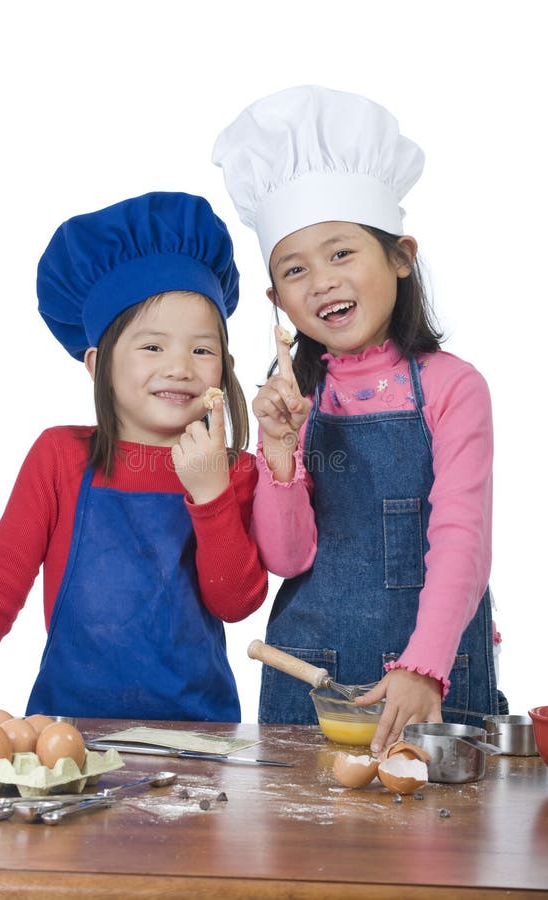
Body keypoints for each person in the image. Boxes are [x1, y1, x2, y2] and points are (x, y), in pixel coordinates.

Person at [213, 86, 504, 752]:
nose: (321, 281)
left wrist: (423, 665)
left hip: (431, 676)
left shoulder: (452, 387)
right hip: (307, 680)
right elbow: (289, 558)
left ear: (400, 256)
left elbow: (464, 538)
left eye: (341, 253)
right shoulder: (290, 404)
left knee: (437, 849)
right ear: (276, 297)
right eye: (295, 269)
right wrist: (279, 454)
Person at [0, 191, 268, 721]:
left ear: (223, 367)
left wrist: (210, 494)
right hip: (70, 733)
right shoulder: (60, 458)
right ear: (97, 364)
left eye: (202, 350)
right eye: (152, 347)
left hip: (200, 742)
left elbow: (237, 602)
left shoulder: (235, 470)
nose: (180, 366)